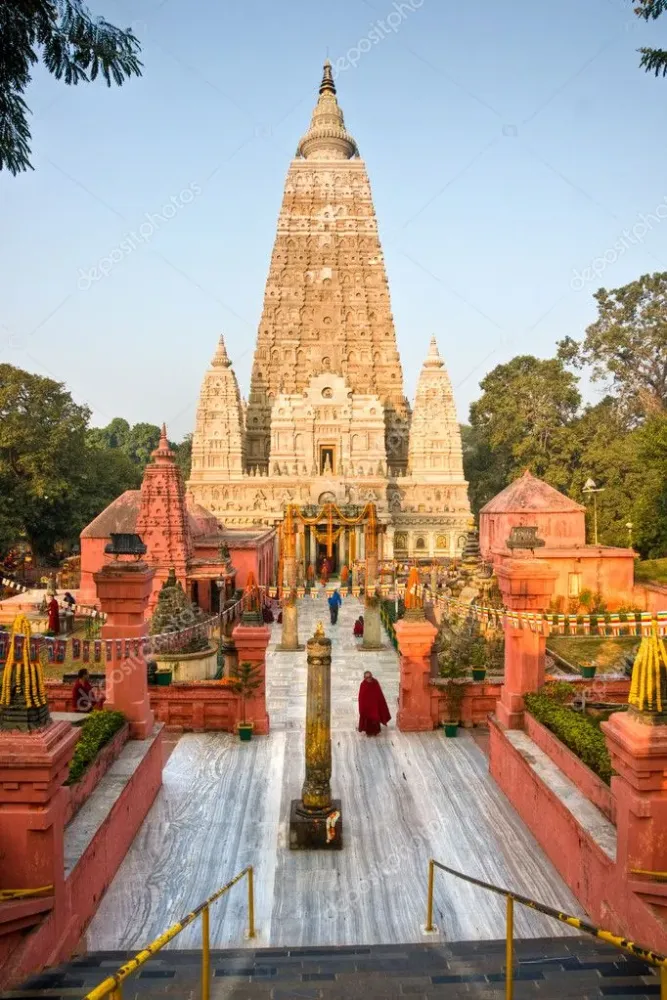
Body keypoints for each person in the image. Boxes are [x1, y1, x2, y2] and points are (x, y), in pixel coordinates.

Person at [358, 670, 391, 736]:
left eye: (370, 677)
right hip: (367, 707)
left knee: (375, 718)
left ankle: (376, 732)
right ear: (364, 678)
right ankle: (369, 733)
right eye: (367, 677)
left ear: (371, 676)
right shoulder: (363, 684)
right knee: (368, 720)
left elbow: (379, 694)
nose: (369, 678)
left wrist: (379, 703)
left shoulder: (375, 682)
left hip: (375, 705)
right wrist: (363, 707)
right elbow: (361, 697)